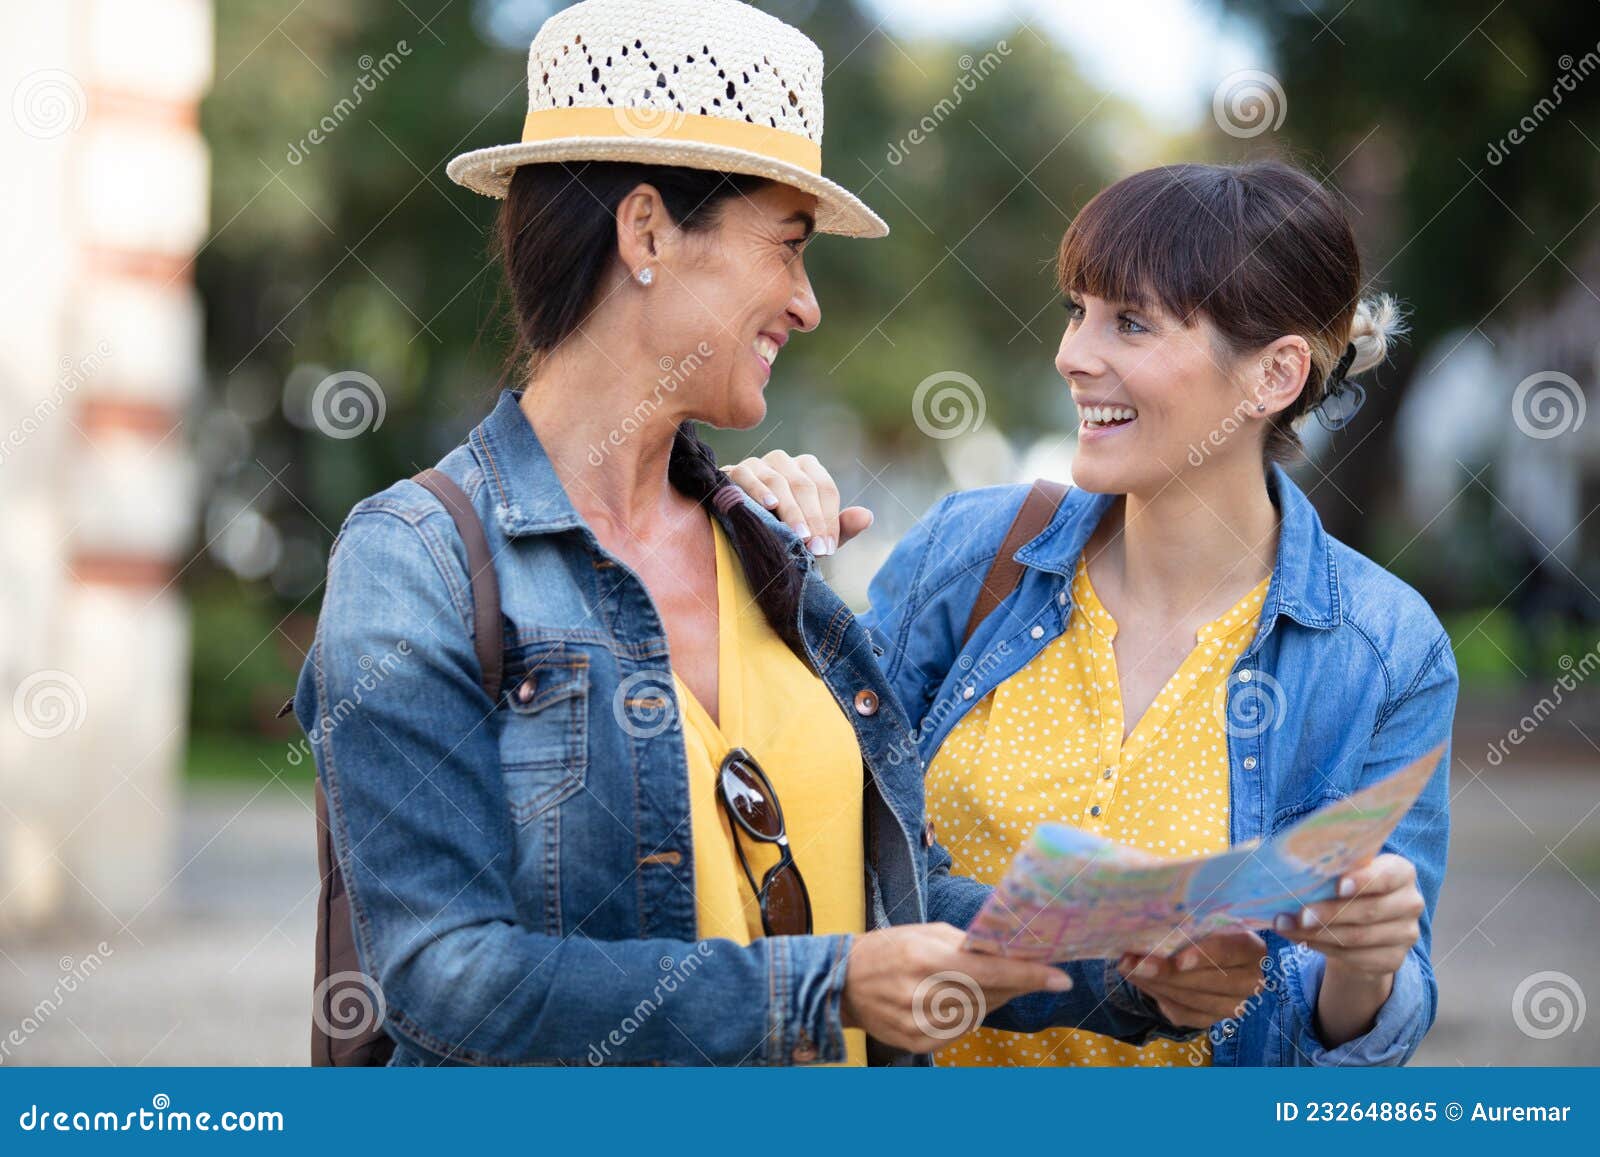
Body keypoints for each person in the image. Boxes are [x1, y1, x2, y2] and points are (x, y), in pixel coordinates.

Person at [294, 0, 1263, 1067]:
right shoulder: (414, 562)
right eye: (788, 246)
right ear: (648, 231)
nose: (805, 303)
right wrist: (828, 984)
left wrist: (1125, 968)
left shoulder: (763, 550)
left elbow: (880, 894)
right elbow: (446, 977)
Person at [724, 159, 1456, 1066]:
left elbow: (1360, 1033)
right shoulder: (972, 553)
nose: (1074, 353)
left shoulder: (1386, 650)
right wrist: (753, 557)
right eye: (1079, 310)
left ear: (1274, 375)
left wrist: (1367, 966)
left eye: (1132, 323)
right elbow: (811, 807)